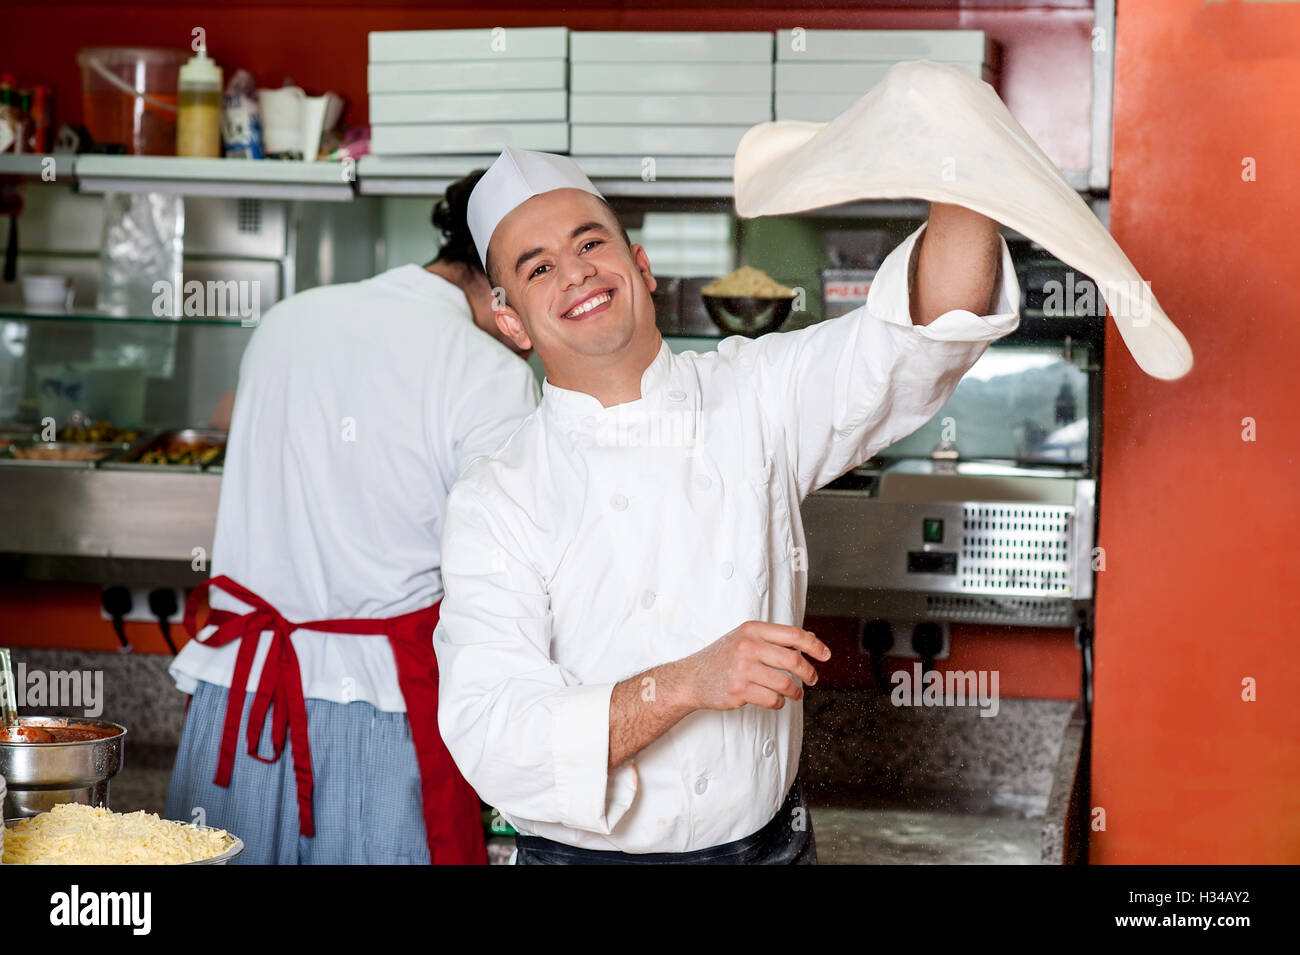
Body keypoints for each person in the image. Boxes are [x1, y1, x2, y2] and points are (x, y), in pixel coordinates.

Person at [432, 147, 1020, 864]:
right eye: (539, 266)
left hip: (772, 846)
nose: (577, 271)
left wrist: (958, 155)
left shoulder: (755, 393)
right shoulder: (497, 495)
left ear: (640, 266)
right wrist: (686, 682)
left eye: (591, 243)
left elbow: (924, 330)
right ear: (511, 321)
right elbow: (496, 733)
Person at [164, 170, 540, 865]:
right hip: (381, 713)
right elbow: (517, 584)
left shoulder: (289, 318)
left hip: (235, 698)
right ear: (500, 274)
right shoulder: (489, 374)